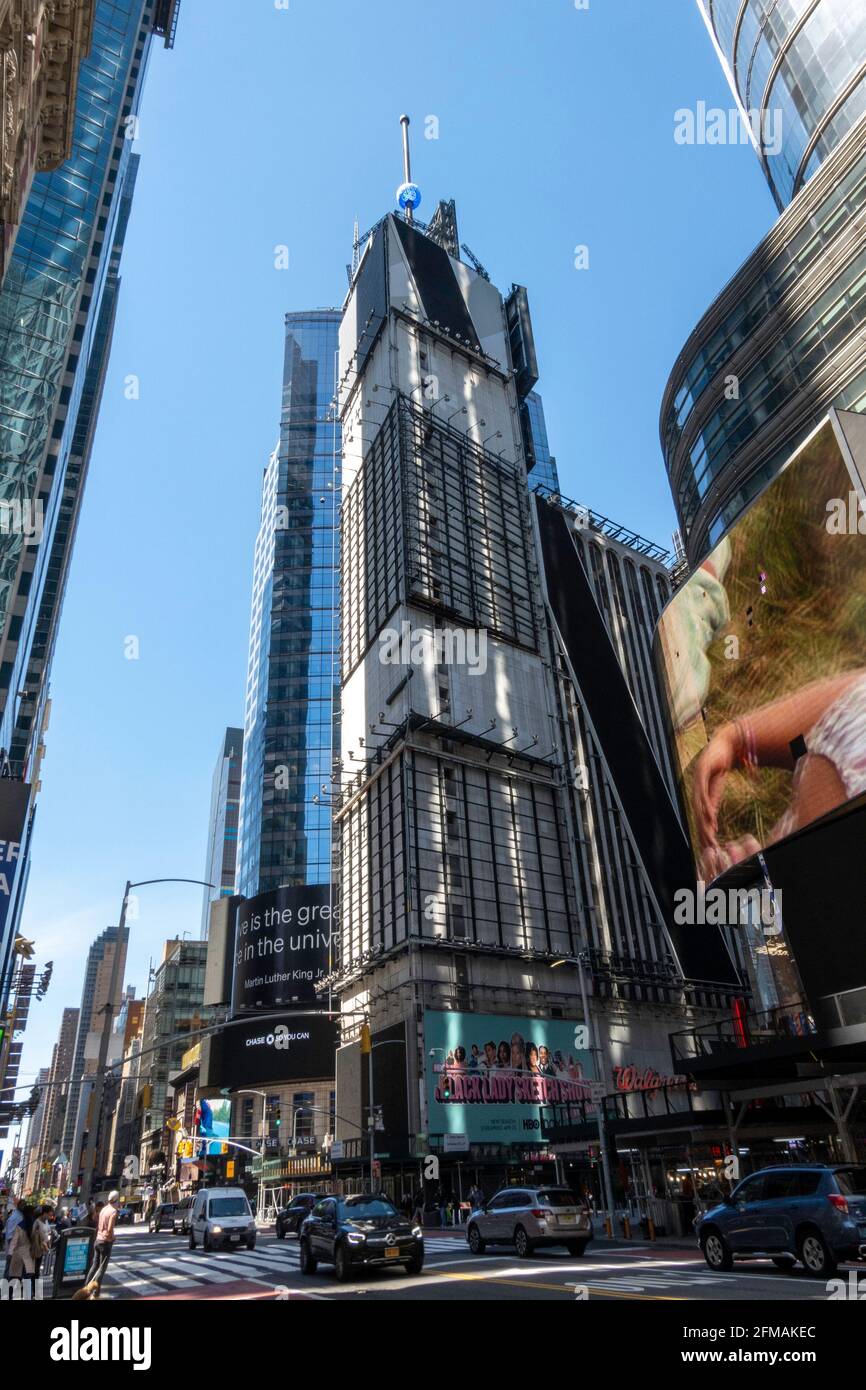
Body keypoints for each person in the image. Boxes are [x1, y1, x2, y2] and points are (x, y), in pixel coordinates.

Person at [85, 1189, 119, 1293]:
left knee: (94, 1265)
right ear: (116, 1200)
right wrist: (113, 1238)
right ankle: (96, 1291)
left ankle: (86, 1288)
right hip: (106, 1242)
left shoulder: (104, 1209)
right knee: (101, 1268)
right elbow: (109, 1230)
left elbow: (98, 1223)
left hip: (98, 1240)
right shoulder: (113, 1212)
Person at [7, 1201, 36, 1290]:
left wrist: (10, 1253)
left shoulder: (20, 1225)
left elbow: (13, 1241)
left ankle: (8, 1295)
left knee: (14, 1277)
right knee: (27, 1278)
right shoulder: (34, 1224)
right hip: (29, 1254)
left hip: (18, 1254)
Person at [3, 1195, 22, 1279]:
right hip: (14, 1249)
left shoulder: (19, 1216)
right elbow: (10, 1236)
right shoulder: (15, 1217)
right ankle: (6, 1290)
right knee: (10, 1270)